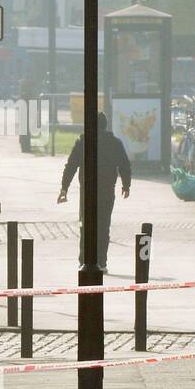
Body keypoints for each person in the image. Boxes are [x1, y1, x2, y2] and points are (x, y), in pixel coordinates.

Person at [58, 112, 132, 272]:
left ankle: (84, 260)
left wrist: (64, 188)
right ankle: (101, 263)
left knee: (85, 225)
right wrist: (126, 185)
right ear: (106, 125)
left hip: (87, 192)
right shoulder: (115, 143)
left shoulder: (83, 142)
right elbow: (125, 165)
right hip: (107, 191)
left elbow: (71, 165)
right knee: (104, 226)